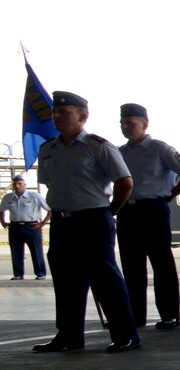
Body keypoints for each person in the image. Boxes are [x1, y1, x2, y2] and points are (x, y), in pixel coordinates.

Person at [32, 90, 142, 353]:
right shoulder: (48, 149)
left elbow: (124, 181)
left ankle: (125, 334)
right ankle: (69, 335)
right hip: (62, 221)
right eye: (54, 113)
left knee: (105, 279)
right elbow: (49, 183)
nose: (57, 117)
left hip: (93, 219)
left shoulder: (98, 146)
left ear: (82, 117)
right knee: (66, 279)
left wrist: (110, 211)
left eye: (64, 112)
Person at [115, 104, 180, 331]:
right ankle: (135, 316)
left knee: (162, 265)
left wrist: (171, 194)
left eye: (130, 123)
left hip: (153, 210)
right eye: (122, 123)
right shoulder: (119, 152)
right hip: (127, 212)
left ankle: (169, 315)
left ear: (145, 124)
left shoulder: (160, 148)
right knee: (132, 267)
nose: (125, 127)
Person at [5, 175, 49, 280]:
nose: (17, 185)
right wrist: (3, 222)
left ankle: (40, 273)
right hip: (15, 227)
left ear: (25, 185)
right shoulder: (8, 197)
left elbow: (50, 210)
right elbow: (1, 209)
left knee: (36, 251)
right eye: (15, 183)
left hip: (32, 227)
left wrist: (42, 223)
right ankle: (18, 274)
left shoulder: (34, 196)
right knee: (16, 251)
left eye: (19, 183)